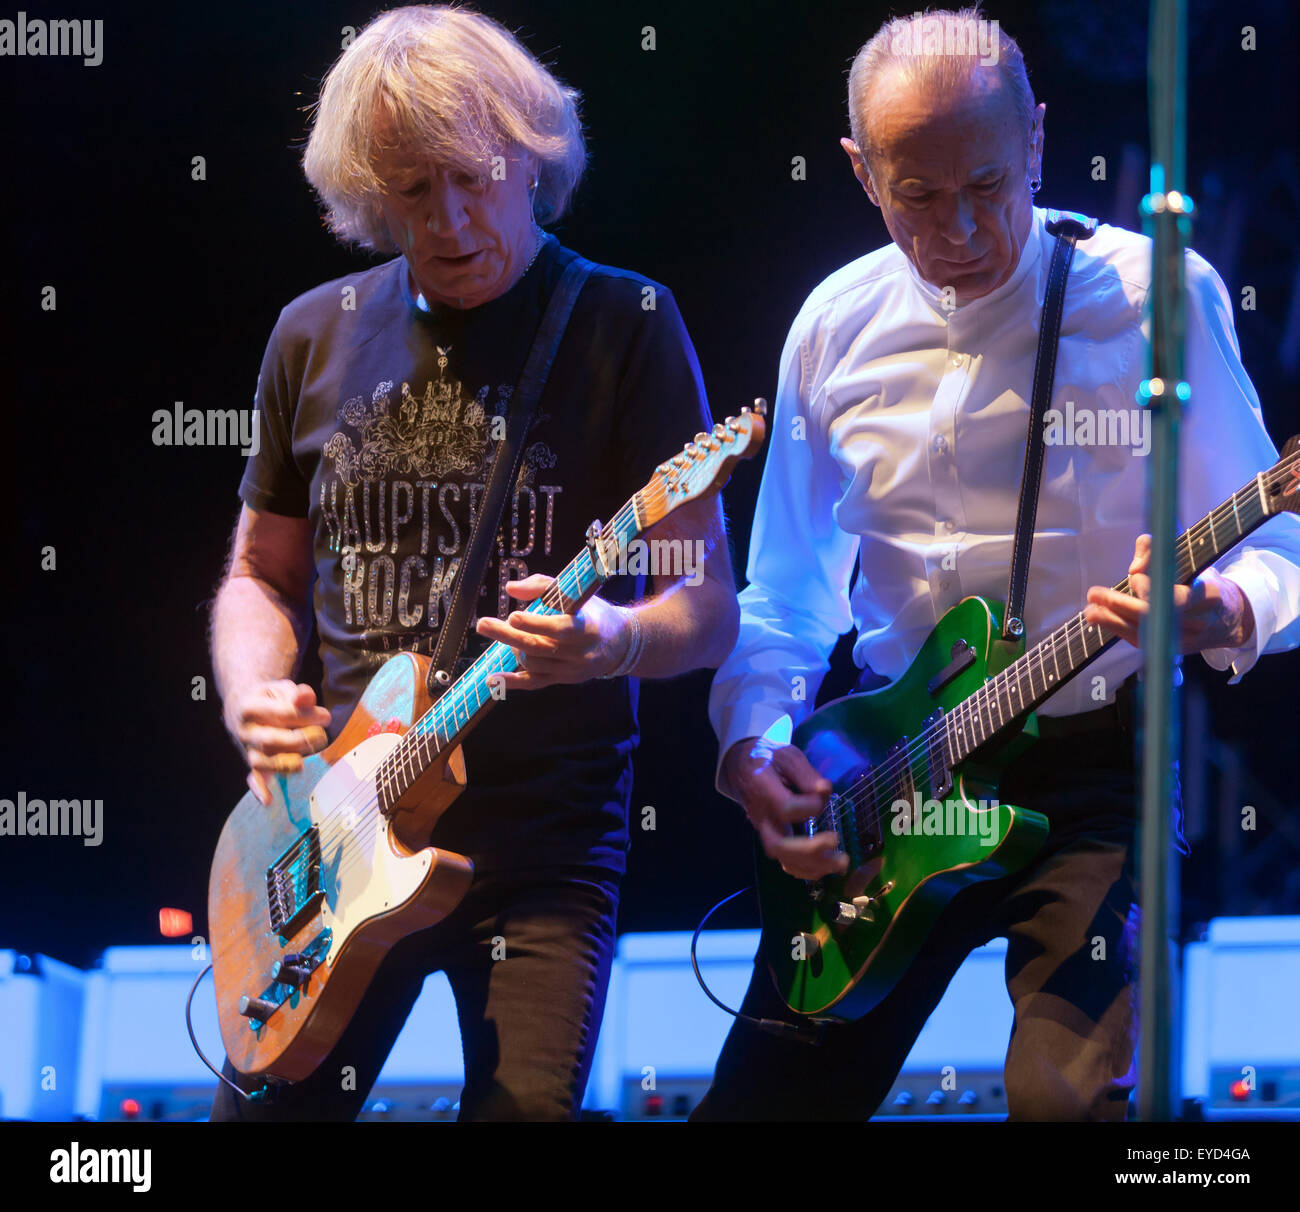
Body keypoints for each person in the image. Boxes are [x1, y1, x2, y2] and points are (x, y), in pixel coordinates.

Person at [694, 7, 1300, 1122]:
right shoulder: (833, 324)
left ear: (1034, 140)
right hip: (885, 772)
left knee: (1062, 1105)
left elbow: (1280, 540)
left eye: (987, 183)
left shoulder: (1155, 293)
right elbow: (782, 591)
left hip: (1095, 776)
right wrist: (752, 742)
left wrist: (1220, 609)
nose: (960, 227)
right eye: (916, 196)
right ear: (858, 171)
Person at [208, 4, 736, 1122]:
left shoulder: (627, 322)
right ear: (364, 193)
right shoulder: (311, 332)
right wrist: (253, 693)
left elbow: (707, 605)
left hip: (543, 845)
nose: (447, 219)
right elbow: (258, 574)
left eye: (472, 175)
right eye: (409, 189)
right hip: (339, 836)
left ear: (531, 158)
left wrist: (610, 643)